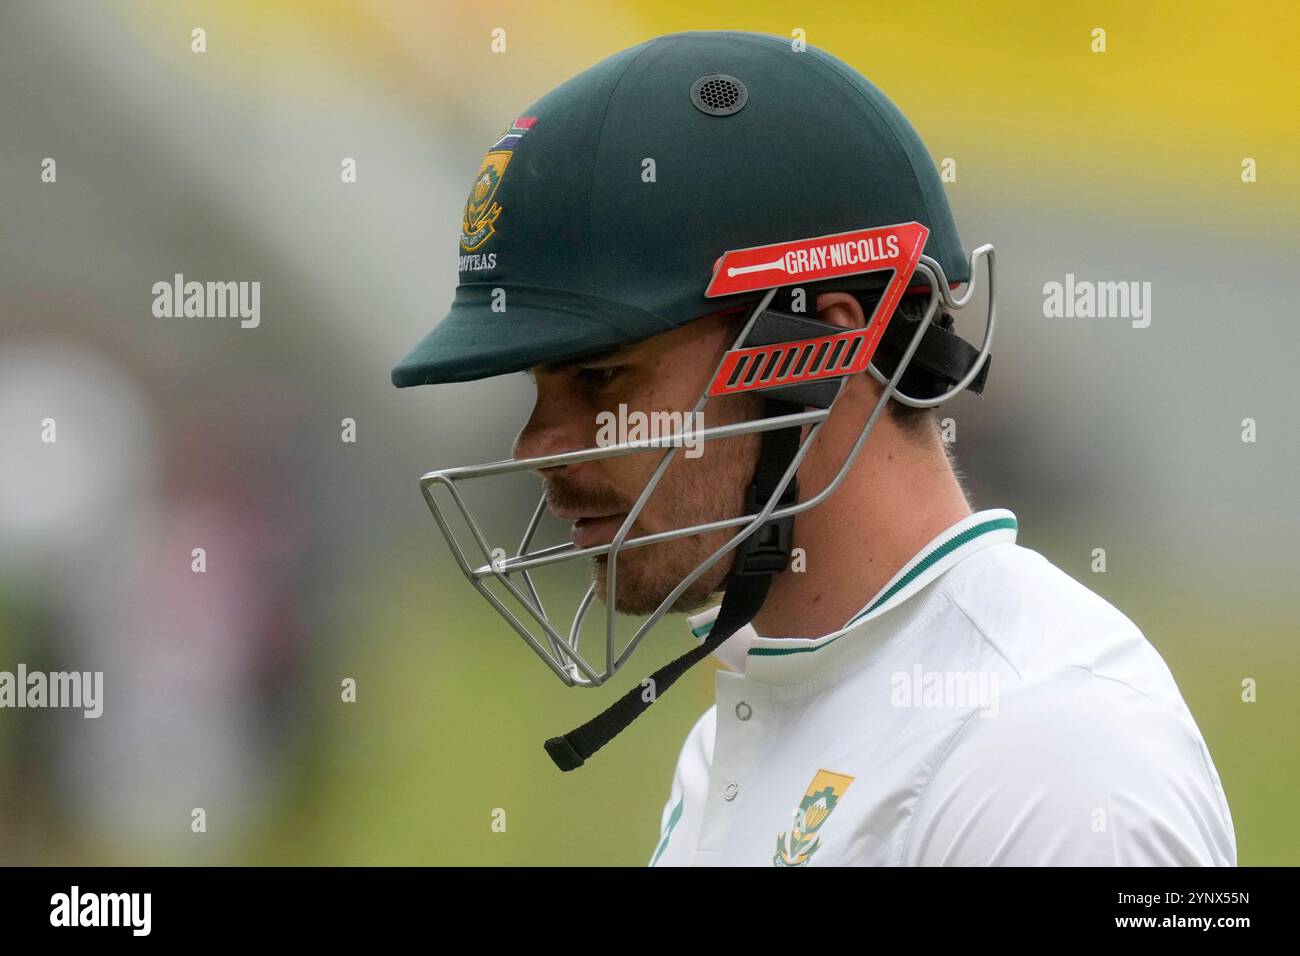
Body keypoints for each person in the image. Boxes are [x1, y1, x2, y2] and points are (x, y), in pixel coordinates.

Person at [392, 31, 1235, 866]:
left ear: (820, 350)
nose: (540, 446)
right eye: (537, 385)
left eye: (602, 376)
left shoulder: (1050, 759)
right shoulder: (740, 727)